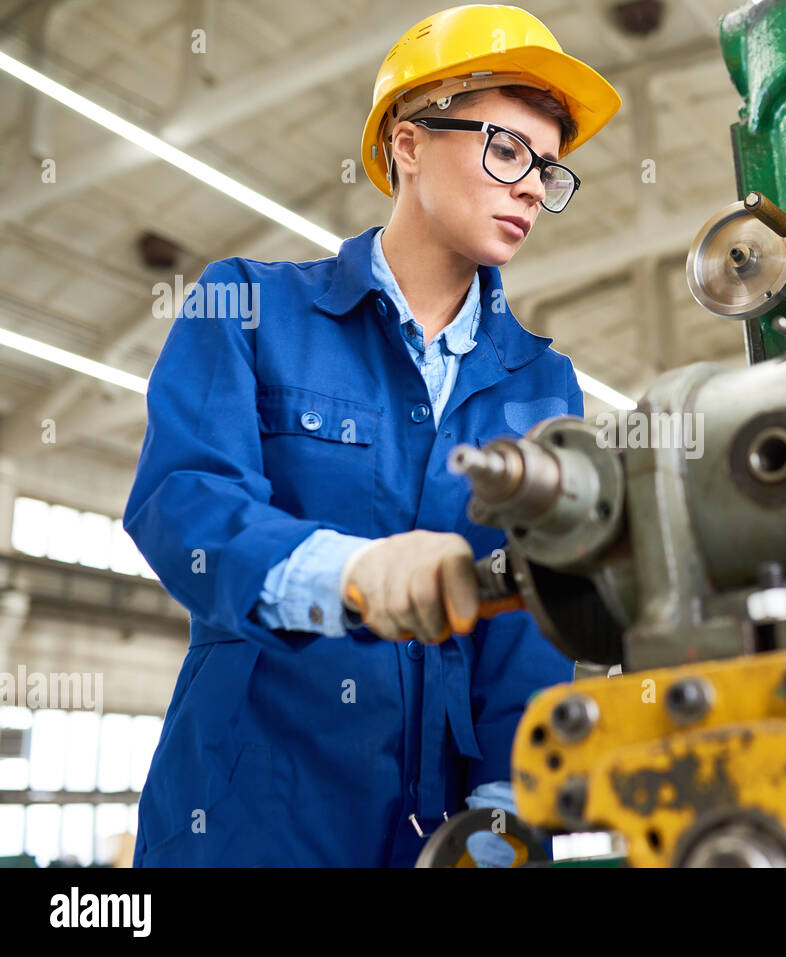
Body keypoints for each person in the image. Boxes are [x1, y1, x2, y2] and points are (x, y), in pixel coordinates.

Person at [124, 4, 621, 866]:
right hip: (247, 819)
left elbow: (533, 618)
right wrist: (348, 575)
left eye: (549, 170)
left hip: (438, 830)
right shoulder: (246, 306)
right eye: (509, 150)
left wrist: (505, 813)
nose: (533, 188)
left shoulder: (542, 383)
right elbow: (184, 504)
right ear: (408, 143)